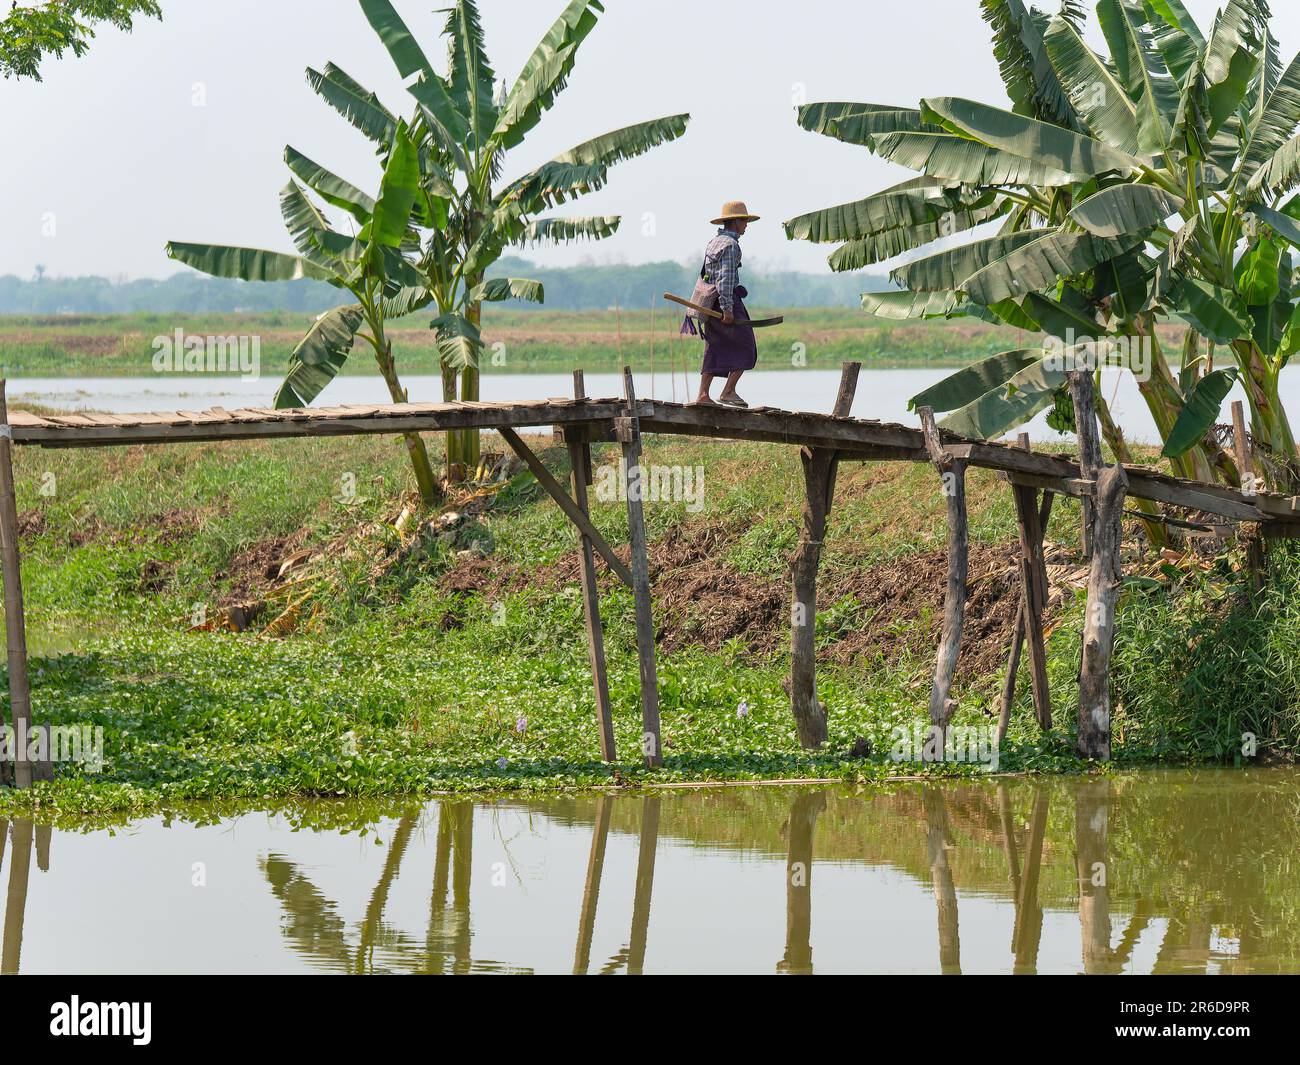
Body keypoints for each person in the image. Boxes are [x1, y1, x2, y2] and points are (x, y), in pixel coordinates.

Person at [682, 200, 760, 407]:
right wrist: (727, 309)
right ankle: (728, 391)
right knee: (746, 347)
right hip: (725, 302)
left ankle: (703, 395)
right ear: (735, 221)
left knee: (714, 346)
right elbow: (724, 281)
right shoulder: (731, 245)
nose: (746, 225)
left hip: (710, 302)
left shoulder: (714, 242)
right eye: (744, 220)